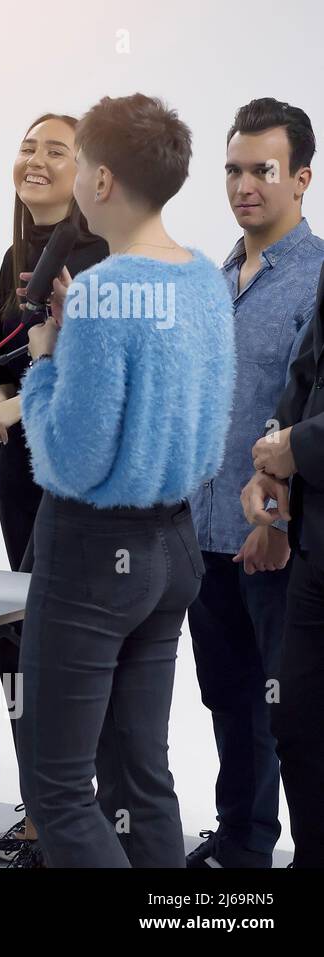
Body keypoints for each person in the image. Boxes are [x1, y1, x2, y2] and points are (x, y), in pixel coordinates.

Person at [16, 94, 235, 867]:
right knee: (144, 779)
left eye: (75, 164)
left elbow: (71, 459)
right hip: (173, 547)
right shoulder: (205, 276)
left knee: (61, 790)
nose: (67, 177)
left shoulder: (107, 291)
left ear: (101, 180)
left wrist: (47, 359)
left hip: (92, 555)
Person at [0, 112, 109, 864]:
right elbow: (3, 359)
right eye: (27, 146)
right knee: (19, 644)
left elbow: (93, 372)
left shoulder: (101, 254)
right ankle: (41, 807)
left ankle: (74, 812)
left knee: (65, 644)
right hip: (17, 477)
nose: (37, 160)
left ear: (88, 171)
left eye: (57, 150)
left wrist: (19, 403)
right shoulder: (15, 253)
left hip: (72, 480)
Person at [186, 98, 324, 869]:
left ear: (301, 178)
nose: (245, 184)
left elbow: (308, 416)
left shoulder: (319, 281)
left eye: (262, 170)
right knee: (227, 696)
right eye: (234, 169)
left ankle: (271, 848)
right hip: (202, 530)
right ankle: (240, 834)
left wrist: (275, 520)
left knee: (285, 709)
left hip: (276, 541)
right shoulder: (214, 278)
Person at [244, 263, 324, 869]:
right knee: (295, 723)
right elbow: (308, 370)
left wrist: (298, 447)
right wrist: (272, 470)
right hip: (316, 540)